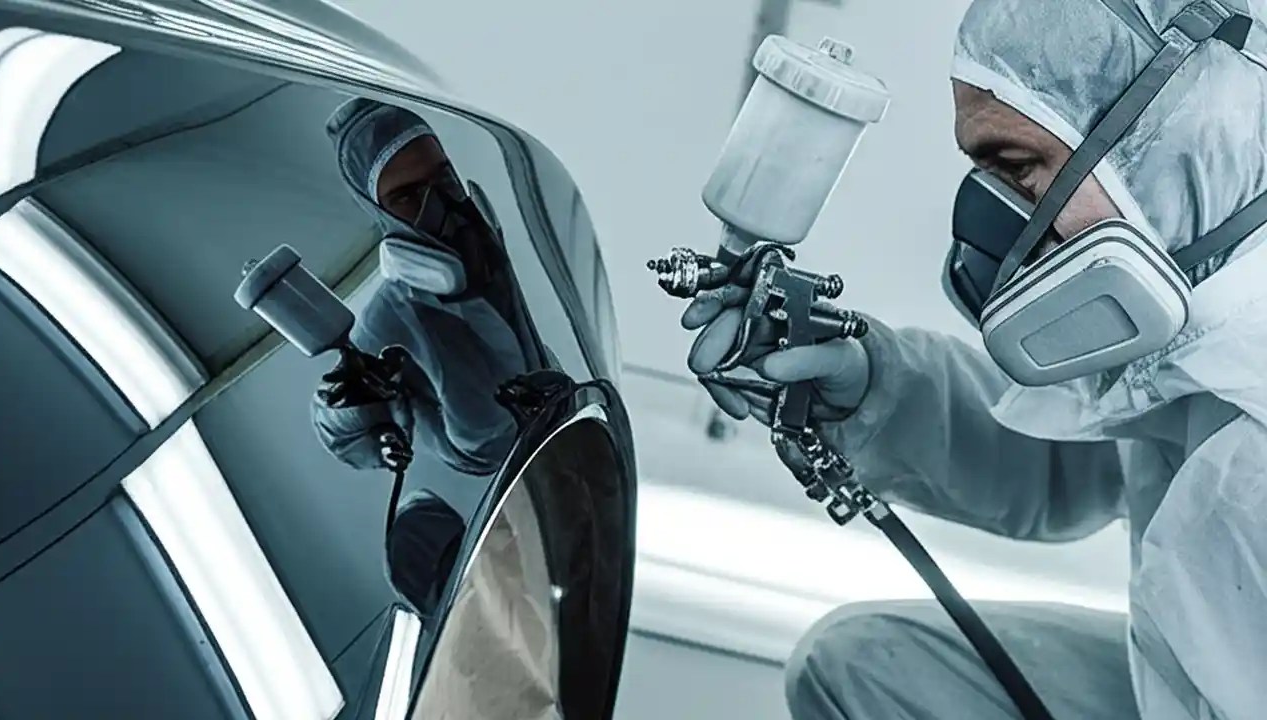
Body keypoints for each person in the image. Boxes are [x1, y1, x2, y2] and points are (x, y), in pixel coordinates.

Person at [685, 1, 1267, 718]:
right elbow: (1070, 457)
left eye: (1019, 173)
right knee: (869, 672)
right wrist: (869, 387)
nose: (997, 226)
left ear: (1174, 142)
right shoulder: (1200, 308)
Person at [311, 98, 543, 478]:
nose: (440, 203)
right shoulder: (388, 316)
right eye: (406, 196)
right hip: (505, 482)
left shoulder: (500, 257)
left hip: (565, 436)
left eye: (444, 178)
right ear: (378, 211)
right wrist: (348, 407)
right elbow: (335, 428)